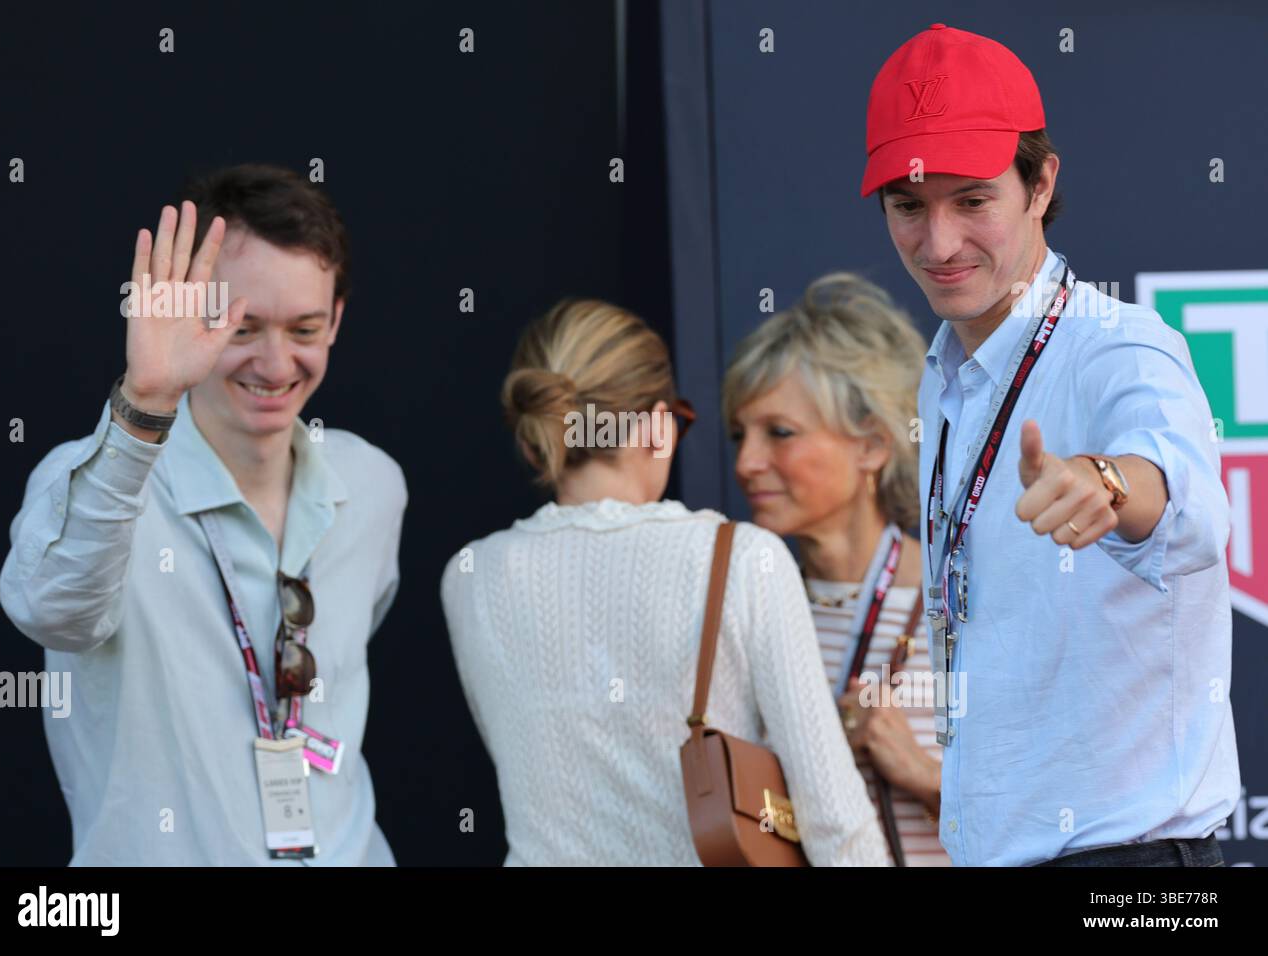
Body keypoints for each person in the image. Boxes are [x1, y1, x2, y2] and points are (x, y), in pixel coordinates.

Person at [861, 23, 1238, 866]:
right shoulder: (945, 371)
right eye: (908, 206)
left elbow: (1195, 512)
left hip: (1136, 869)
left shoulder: (1119, 346)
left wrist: (1108, 483)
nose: (939, 244)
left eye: (972, 200)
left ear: (1040, 185)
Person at [0, 164, 407, 865]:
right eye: (243, 328)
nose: (277, 364)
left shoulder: (372, 483)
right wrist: (145, 401)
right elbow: (50, 612)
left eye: (304, 327)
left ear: (337, 319)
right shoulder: (95, 479)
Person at [440, 299, 889, 866]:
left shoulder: (469, 578)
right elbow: (833, 818)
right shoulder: (744, 560)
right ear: (657, 426)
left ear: (535, 439)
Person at [725, 272, 949, 866]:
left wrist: (923, 775)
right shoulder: (746, 611)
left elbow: (1051, 817)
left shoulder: (961, 599)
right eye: (738, 435)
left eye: (780, 433)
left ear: (872, 447)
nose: (747, 463)